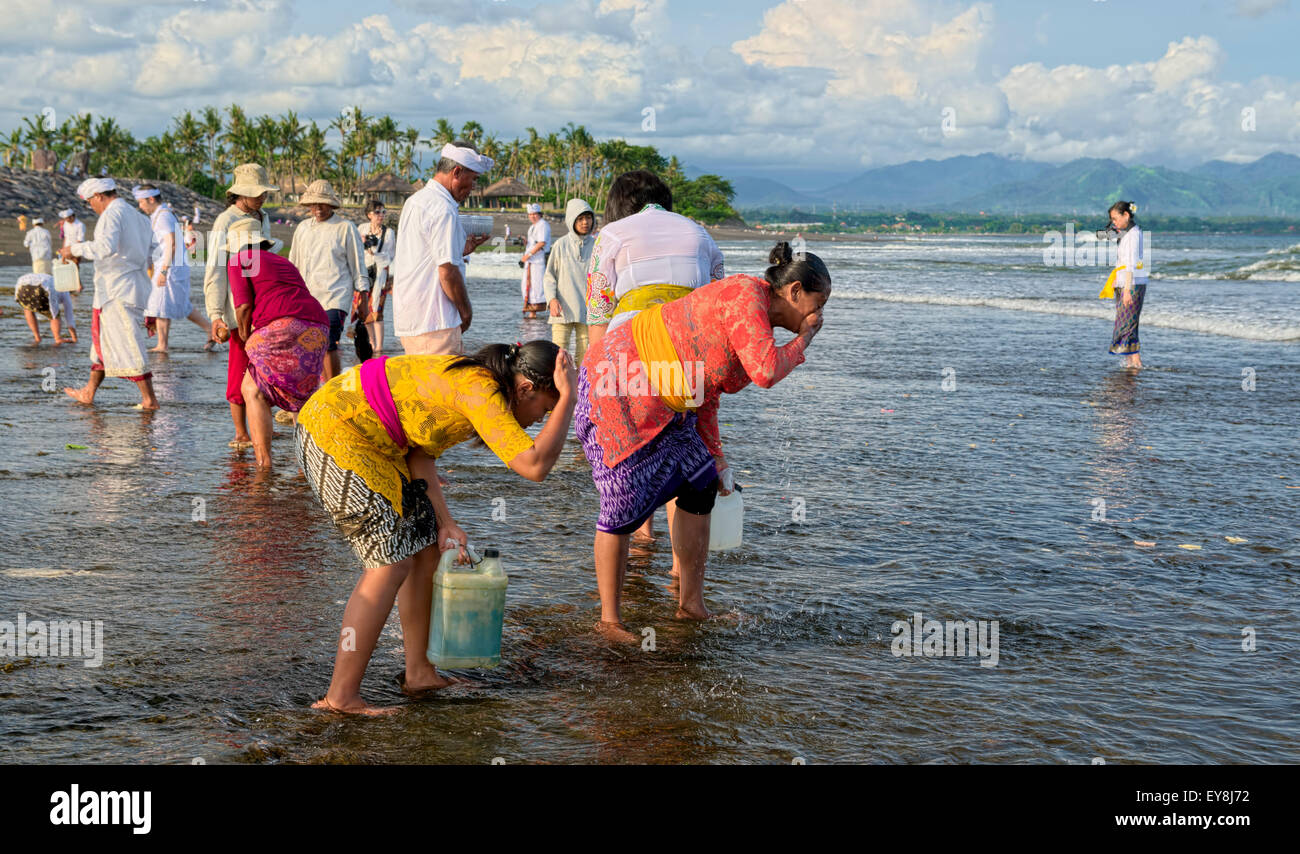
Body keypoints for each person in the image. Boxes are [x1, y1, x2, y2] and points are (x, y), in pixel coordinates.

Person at [296, 341, 577, 714]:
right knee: (389, 563)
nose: (543, 419)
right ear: (525, 388)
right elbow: (534, 465)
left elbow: (419, 450)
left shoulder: (477, 379)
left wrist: (445, 522)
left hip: (368, 439)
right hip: (334, 433)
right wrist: (570, 399)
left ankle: (420, 673)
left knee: (427, 546)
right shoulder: (482, 390)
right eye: (546, 408)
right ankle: (340, 698)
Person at [576, 242, 830, 640]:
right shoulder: (747, 296)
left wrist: (719, 458)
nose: (819, 315)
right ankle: (609, 621)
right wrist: (805, 340)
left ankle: (692, 606)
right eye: (819, 302)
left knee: (701, 481)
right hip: (619, 378)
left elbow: (706, 389)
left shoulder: (756, 318)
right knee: (623, 499)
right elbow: (764, 371)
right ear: (795, 291)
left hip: (671, 394)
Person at [585, 169, 726, 542]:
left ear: (618, 205)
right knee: (686, 460)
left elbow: (598, 314)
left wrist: (594, 385)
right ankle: (682, 579)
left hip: (630, 356)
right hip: (688, 359)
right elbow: (715, 304)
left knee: (634, 453)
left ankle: (641, 538)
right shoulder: (701, 234)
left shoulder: (612, 235)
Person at [226, 219, 329, 469]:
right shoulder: (283, 261)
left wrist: (243, 335)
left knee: (251, 389)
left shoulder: (239, 260)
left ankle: (264, 465)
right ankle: (314, 466)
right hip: (318, 326)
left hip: (282, 325)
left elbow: (243, 306)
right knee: (300, 394)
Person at [59, 177, 159, 410]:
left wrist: (74, 248)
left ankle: (149, 399)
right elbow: (150, 252)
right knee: (102, 344)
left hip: (118, 289)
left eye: (90, 202)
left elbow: (105, 248)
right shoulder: (139, 217)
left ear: (99, 196)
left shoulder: (112, 214)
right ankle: (89, 391)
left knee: (127, 343)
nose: (91, 207)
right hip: (130, 285)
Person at [392, 141, 494, 356]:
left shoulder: (416, 200)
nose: (473, 187)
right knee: (441, 388)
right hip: (435, 320)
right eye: (473, 179)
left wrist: (460, 250)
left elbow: (420, 256)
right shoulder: (443, 208)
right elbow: (447, 271)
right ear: (457, 172)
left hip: (411, 318)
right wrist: (465, 312)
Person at [205, 163, 277, 448]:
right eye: (256, 193)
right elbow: (214, 269)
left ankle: (262, 423)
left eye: (263, 193)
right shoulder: (224, 220)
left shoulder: (263, 216)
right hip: (236, 306)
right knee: (239, 368)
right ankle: (240, 431)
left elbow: (264, 257)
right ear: (239, 194)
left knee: (264, 367)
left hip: (262, 304)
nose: (261, 198)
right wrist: (214, 315)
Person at [288, 179, 367, 381]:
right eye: (313, 204)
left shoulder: (345, 227)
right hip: (307, 297)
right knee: (310, 348)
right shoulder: (303, 228)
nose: (318, 208)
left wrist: (363, 299)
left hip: (335, 296)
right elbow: (293, 263)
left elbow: (358, 265)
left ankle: (333, 390)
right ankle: (318, 393)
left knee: (328, 343)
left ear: (331, 204)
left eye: (322, 204)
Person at [133, 184, 213, 353]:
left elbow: (172, 243)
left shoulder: (163, 216)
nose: (140, 206)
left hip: (169, 267)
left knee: (160, 304)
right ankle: (209, 329)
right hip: (171, 265)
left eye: (141, 202)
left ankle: (163, 344)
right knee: (177, 304)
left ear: (151, 199)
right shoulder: (160, 214)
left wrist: (162, 270)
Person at [544, 198, 595, 363]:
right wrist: (551, 299)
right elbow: (549, 276)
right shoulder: (560, 245)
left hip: (588, 308)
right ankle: (558, 387)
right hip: (562, 307)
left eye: (588, 218)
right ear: (571, 220)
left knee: (586, 351)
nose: (585, 222)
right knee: (559, 351)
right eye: (580, 219)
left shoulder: (597, 245)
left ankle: (581, 387)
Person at [1107, 200, 1148, 369]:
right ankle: (1131, 363)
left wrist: (1127, 290)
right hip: (1125, 282)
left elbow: (1131, 263)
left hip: (1132, 284)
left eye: (1116, 219)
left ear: (1126, 215)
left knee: (1128, 324)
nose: (1114, 223)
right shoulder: (1125, 233)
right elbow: (1107, 235)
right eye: (1112, 220)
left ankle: (1136, 363)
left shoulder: (1132, 234)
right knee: (1125, 322)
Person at [353, 199, 396, 355]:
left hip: (380, 275)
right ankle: (371, 342)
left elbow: (390, 256)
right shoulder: (362, 228)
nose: (381, 215)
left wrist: (374, 252)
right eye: (377, 212)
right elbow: (357, 249)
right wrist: (364, 243)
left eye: (383, 212)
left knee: (377, 309)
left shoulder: (388, 233)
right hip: (363, 274)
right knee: (364, 309)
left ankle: (379, 347)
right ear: (369, 214)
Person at [14, 272, 76, 345]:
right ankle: (58, 338)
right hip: (41, 287)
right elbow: (69, 316)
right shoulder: (65, 292)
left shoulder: (54, 280)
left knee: (28, 309)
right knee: (54, 316)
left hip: (21, 285)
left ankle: (37, 338)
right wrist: (75, 338)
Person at [520, 203, 551, 317]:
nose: (532, 216)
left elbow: (541, 243)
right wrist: (526, 243)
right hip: (531, 261)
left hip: (538, 261)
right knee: (528, 285)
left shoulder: (543, 225)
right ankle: (531, 312)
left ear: (539, 214)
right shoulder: (532, 227)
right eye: (530, 214)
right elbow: (533, 243)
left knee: (537, 286)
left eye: (534, 214)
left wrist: (527, 255)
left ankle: (535, 311)